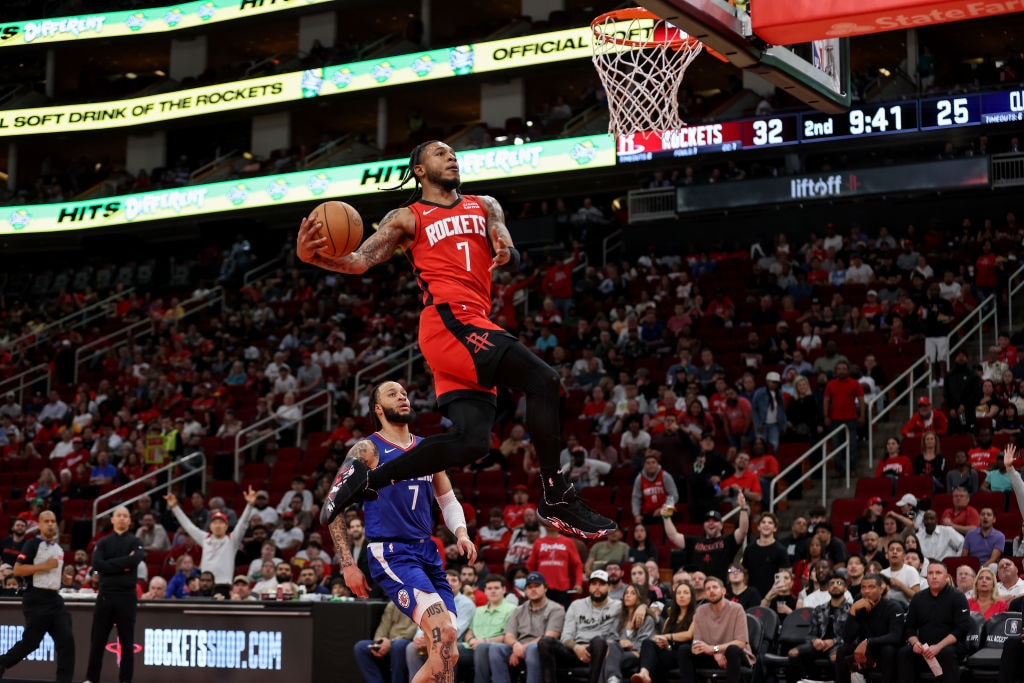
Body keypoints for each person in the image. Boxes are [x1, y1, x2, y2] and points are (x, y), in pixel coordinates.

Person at [301, 140, 614, 539]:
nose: (450, 157)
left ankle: (367, 480)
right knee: (544, 380)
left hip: (472, 324)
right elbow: (361, 260)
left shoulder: (485, 204)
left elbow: (501, 234)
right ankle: (556, 494)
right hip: (450, 324)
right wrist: (316, 258)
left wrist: (507, 248)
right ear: (418, 169)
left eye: (452, 153)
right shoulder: (407, 217)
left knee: (472, 442)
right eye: (438, 153)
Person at [327, 381, 476, 683]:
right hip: (392, 553)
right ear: (378, 409)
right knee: (444, 631)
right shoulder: (367, 449)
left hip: (427, 553)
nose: (402, 397)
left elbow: (446, 499)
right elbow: (333, 506)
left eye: (405, 393)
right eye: (392, 394)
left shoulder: (427, 448)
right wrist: (347, 564)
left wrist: (461, 533)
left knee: (448, 650)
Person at [0, 511, 74, 682]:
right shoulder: (32, 544)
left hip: (55, 599)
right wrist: (44, 566)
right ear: (39, 525)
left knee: (67, 640)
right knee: (31, 643)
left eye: (53, 521)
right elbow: (17, 570)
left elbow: (53, 572)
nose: (50, 524)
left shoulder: (59, 549)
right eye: (46, 521)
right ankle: (2, 663)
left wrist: (63, 579)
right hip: (36, 598)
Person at [86, 506, 145, 683]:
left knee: (127, 643)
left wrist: (109, 565)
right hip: (105, 596)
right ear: (112, 519)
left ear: (129, 520)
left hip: (126, 597)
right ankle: (91, 679)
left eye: (125, 516)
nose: (121, 518)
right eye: (118, 516)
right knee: (97, 641)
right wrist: (124, 565)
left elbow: (136, 559)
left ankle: (125, 680)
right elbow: (97, 564)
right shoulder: (103, 543)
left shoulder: (135, 541)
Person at [165, 486, 256, 595]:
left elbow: (243, 523)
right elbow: (188, 526)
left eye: (221, 523)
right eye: (215, 523)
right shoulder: (205, 538)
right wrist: (175, 507)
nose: (218, 526)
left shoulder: (232, 540)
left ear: (226, 526)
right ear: (210, 526)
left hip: (223, 586)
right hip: (204, 585)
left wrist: (250, 506)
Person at [537, 569, 621, 683]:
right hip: (575, 649)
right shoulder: (576, 605)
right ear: (589, 586)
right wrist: (576, 647)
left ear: (609, 588)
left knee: (599, 641)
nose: (597, 587)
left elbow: (640, 605)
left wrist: (643, 608)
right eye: (594, 584)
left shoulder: (618, 606)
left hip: (598, 649)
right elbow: (566, 636)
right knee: (544, 642)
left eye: (601, 584)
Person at [898, 562, 970, 683]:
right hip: (923, 647)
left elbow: (961, 629)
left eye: (938, 573)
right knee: (904, 652)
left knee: (946, 653)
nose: (934, 576)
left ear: (946, 576)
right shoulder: (918, 598)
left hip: (950, 647)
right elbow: (909, 627)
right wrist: (915, 643)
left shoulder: (958, 597)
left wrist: (938, 647)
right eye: (930, 573)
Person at [488, 571, 565, 683]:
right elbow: (508, 635)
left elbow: (550, 636)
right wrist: (515, 645)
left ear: (545, 588)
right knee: (495, 649)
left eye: (537, 586)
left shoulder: (556, 609)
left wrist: (521, 648)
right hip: (519, 646)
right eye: (529, 587)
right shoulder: (518, 610)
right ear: (525, 591)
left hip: (541, 648)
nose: (533, 590)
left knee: (532, 649)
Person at [679, 576, 755, 683]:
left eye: (715, 587)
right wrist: (714, 652)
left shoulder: (737, 609)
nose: (711, 591)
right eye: (708, 589)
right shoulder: (700, 610)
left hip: (734, 657)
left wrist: (714, 649)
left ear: (723, 591)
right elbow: (697, 645)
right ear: (705, 594)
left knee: (732, 650)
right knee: (684, 650)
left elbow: (741, 643)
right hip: (712, 656)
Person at [662, 493, 749, 579]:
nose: (711, 523)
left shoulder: (728, 541)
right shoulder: (694, 542)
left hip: (719, 587)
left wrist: (743, 509)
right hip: (699, 587)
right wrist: (666, 517)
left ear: (721, 525)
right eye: (708, 521)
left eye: (715, 521)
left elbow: (743, 531)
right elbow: (673, 536)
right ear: (704, 525)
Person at [834, 573, 902, 683]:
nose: (866, 591)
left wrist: (867, 642)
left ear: (880, 589)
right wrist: (853, 610)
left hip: (884, 656)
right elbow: (847, 638)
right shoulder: (859, 605)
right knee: (843, 650)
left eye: (871, 587)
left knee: (888, 649)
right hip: (865, 657)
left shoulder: (893, 607)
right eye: (863, 587)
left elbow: (895, 636)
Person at [787, 573, 851, 683]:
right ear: (828, 589)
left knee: (835, 658)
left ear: (845, 589)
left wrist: (833, 641)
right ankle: (805, 680)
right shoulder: (819, 609)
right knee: (793, 653)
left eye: (839, 583)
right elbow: (810, 634)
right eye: (832, 583)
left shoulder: (852, 609)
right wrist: (815, 640)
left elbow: (852, 636)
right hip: (819, 644)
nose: (835, 585)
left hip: (839, 645)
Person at [631, 581, 696, 683]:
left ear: (692, 596)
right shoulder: (670, 619)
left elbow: (688, 635)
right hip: (670, 653)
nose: (681, 596)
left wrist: (667, 636)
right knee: (648, 643)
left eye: (685, 593)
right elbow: (665, 641)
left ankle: (646, 674)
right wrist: (661, 642)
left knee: (655, 656)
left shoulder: (696, 615)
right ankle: (644, 673)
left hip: (685, 655)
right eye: (678, 593)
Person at [462, 575, 515, 683]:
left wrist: (484, 641)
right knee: (449, 649)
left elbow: (508, 635)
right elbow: (469, 631)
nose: (493, 591)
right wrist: (470, 640)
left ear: (504, 590)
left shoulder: (512, 609)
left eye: (496, 588)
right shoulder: (478, 610)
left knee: (482, 648)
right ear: (485, 591)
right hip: (473, 646)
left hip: (495, 648)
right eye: (489, 589)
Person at [355, 600, 418, 683]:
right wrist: (379, 641)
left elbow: (413, 631)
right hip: (388, 642)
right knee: (361, 647)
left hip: (407, 641)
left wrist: (390, 642)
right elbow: (383, 627)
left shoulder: (421, 604)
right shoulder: (393, 603)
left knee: (398, 645)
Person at [631, 453, 679, 526]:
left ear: (657, 464)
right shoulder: (639, 478)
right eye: (648, 463)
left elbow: (674, 496)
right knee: (639, 526)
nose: (651, 465)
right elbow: (636, 498)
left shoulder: (665, 475)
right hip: (648, 513)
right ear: (644, 465)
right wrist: (636, 514)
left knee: (662, 521)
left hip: (666, 509)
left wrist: (662, 509)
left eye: (653, 462)